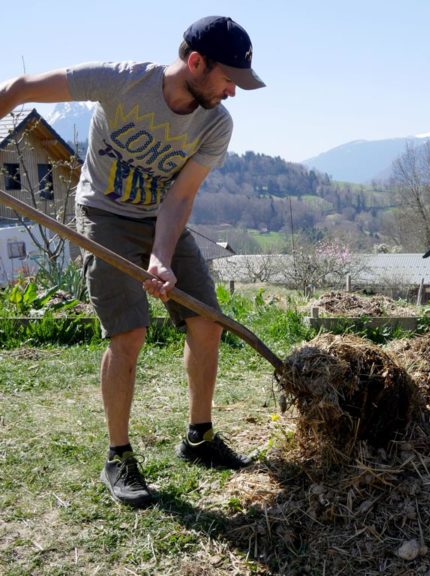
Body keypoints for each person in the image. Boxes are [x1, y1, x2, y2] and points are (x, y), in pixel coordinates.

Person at [0, 16, 266, 508]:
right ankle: (119, 456)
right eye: (229, 78)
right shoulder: (122, 80)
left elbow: (180, 198)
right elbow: (18, 88)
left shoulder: (216, 123)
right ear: (195, 62)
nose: (233, 91)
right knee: (129, 334)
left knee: (207, 323)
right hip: (104, 214)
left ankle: (199, 438)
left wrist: (163, 258)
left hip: (160, 216)